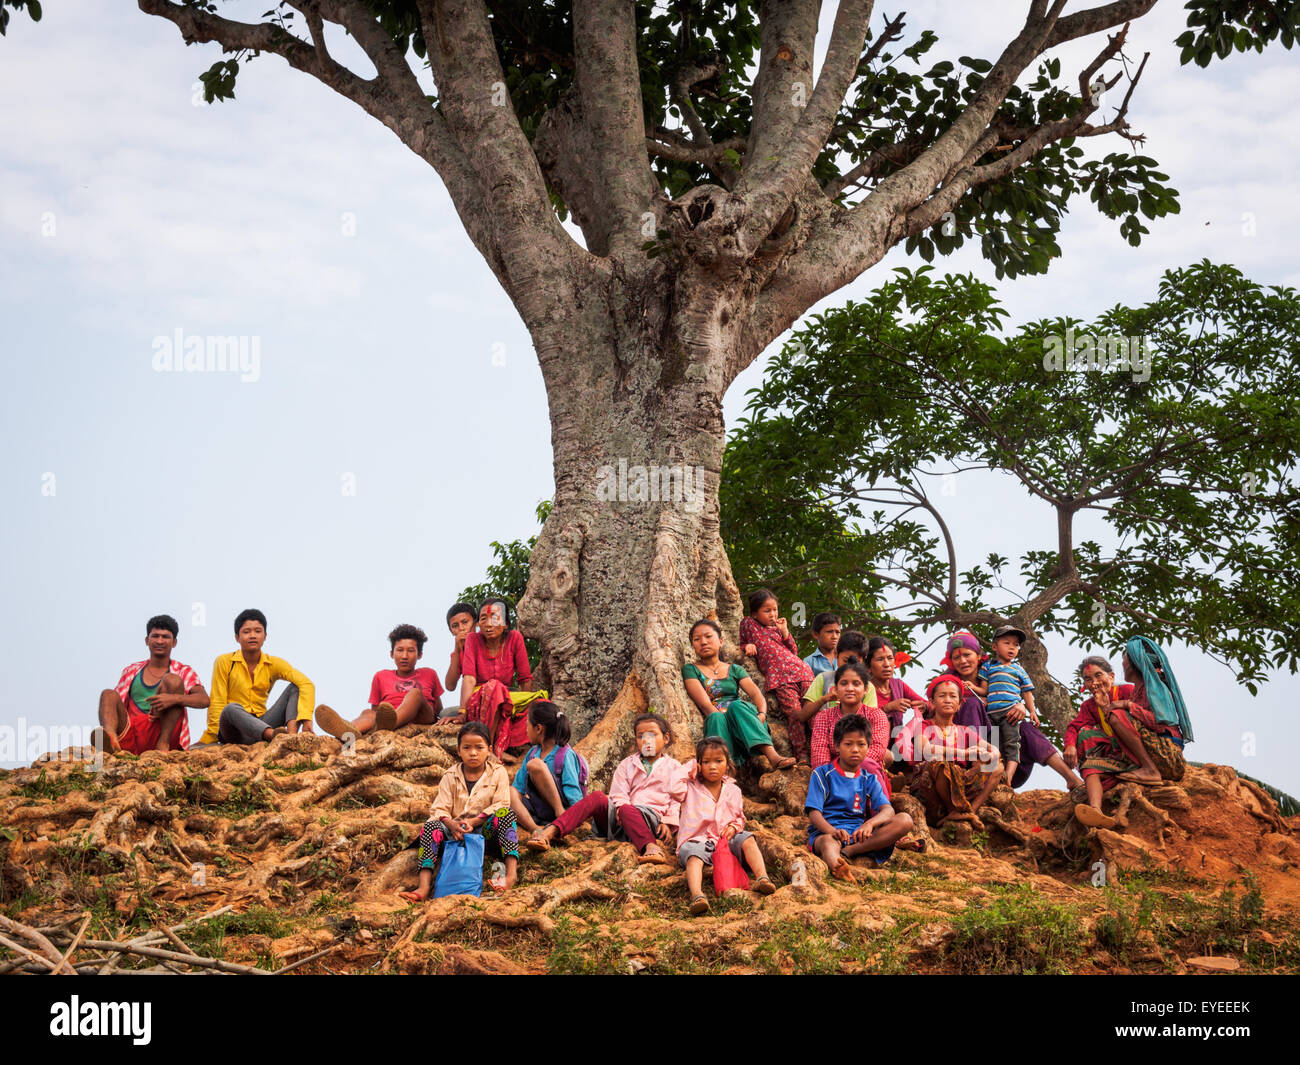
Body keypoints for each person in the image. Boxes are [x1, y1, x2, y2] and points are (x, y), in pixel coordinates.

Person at [527, 713, 682, 864]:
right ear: (635, 740)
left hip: (650, 819)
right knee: (597, 797)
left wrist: (667, 823)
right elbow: (618, 792)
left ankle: (651, 846)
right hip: (620, 819)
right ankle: (549, 832)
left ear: (666, 738)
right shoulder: (627, 764)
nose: (647, 740)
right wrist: (621, 808)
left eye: (652, 735)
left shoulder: (674, 767)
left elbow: (676, 801)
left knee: (628, 809)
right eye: (641, 736)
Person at [942, 630, 1081, 790]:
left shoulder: (996, 670)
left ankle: (1072, 779)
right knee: (973, 704)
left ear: (979, 656)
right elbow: (934, 710)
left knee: (1028, 729)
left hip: (1007, 756)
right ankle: (977, 769)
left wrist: (1020, 705)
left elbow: (1016, 692)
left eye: (967, 655)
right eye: (957, 657)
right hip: (970, 757)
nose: (963, 661)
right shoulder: (947, 686)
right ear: (951, 661)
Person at [1065, 650, 1186, 829]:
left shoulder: (1128, 691)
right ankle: (1096, 811)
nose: (1095, 683)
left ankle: (1149, 769)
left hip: (1146, 746)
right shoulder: (1088, 706)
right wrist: (1069, 746)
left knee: (1116, 714)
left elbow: (1143, 720)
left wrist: (1108, 707)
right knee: (1086, 741)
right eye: (1088, 679)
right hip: (1120, 754)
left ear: (1112, 676)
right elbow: (1074, 727)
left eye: (1098, 675)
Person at [398, 722, 518, 900]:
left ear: (489, 749)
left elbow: (501, 803)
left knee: (506, 814)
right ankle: (423, 887)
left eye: (479, 747)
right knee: (431, 825)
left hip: (484, 830)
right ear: (458, 750)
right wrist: (452, 825)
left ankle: (510, 875)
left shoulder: (498, 772)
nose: (473, 753)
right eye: (467, 747)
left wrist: (475, 821)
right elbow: (439, 808)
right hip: (455, 832)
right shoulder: (450, 775)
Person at [805, 714, 915, 882]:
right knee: (828, 843)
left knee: (905, 820)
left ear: (868, 747)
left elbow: (888, 810)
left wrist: (869, 824)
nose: (855, 749)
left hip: (859, 835)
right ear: (837, 746)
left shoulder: (868, 778)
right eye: (848, 744)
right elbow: (814, 813)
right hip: (829, 832)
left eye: (861, 744)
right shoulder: (822, 774)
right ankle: (839, 867)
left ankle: (851, 851)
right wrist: (832, 831)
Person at [673, 737, 777, 915]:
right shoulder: (690, 787)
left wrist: (734, 828)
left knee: (748, 839)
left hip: (725, 840)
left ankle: (762, 878)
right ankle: (697, 896)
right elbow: (671, 787)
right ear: (699, 765)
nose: (712, 766)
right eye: (706, 762)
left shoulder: (733, 790)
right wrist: (689, 767)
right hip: (696, 840)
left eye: (718, 761)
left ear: (727, 764)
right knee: (693, 857)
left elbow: (739, 817)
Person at [681, 619, 794, 770]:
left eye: (708, 637)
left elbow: (756, 694)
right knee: (715, 717)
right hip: (719, 722)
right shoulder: (691, 669)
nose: (703, 642)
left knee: (736, 706)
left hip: (743, 719)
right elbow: (705, 704)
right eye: (697, 639)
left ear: (720, 641)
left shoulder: (734, 669)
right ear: (693, 646)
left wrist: (762, 713)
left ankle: (773, 756)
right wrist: (726, 721)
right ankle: (725, 772)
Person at [898, 674, 1003, 831]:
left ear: (960, 704)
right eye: (942, 696)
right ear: (932, 702)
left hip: (959, 784)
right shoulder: (924, 726)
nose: (947, 700)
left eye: (953, 696)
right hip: (931, 788)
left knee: (997, 767)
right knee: (940, 763)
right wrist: (964, 754)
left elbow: (991, 748)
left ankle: (969, 812)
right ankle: (953, 811)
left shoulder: (964, 730)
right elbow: (925, 750)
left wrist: (993, 753)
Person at [94, 614, 208, 755]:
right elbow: (115, 705)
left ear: (174, 643)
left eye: (165, 637)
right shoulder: (132, 670)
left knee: (173, 681)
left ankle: (163, 745)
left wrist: (173, 699)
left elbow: (204, 700)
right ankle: (111, 741)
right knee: (108, 694)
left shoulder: (183, 671)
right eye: (155, 636)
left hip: (162, 730)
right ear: (147, 641)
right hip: (132, 732)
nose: (160, 641)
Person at [200, 609, 316, 744]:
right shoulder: (224, 661)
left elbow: (306, 684)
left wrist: (307, 720)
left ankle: (291, 738)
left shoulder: (273, 663)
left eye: (258, 631)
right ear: (237, 637)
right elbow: (217, 701)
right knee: (230, 708)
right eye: (246, 632)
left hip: (260, 724)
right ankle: (274, 736)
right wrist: (214, 736)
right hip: (233, 731)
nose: (253, 635)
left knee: (295, 688)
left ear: (265, 636)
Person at [315, 624, 444, 740]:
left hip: (422, 716)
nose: (405, 656)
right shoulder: (381, 676)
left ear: (419, 654)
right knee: (367, 713)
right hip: (389, 715)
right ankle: (346, 731)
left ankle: (390, 723)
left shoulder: (429, 673)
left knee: (415, 693)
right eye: (400, 650)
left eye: (410, 651)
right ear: (391, 654)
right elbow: (377, 712)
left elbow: (438, 708)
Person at [453, 598, 544, 757]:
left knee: (542, 705)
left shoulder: (515, 637)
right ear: (478, 624)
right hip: (480, 700)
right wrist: (462, 711)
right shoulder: (473, 639)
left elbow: (524, 679)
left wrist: (525, 704)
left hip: (506, 700)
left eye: (495, 618)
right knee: (494, 686)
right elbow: (469, 678)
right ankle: (490, 748)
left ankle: (532, 750)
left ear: (506, 624)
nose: (488, 624)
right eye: (483, 619)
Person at [739, 589, 814, 764]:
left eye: (775, 610)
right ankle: (802, 754)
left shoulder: (777, 629)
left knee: (814, 713)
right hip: (780, 678)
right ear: (755, 614)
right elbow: (743, 641)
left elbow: (794, 651)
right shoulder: (749, 623)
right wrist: (747, 646)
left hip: (802, 672)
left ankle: (824, 749)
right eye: (767, 610)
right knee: (795, 715)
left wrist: (785, 631)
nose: (773, 614)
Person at [807, 662, 892, 798]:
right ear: (835, 689)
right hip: (833, 778)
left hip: (867, 776)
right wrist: (838, 775)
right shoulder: (823, 716)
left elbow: (877, 751)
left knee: (867, 763)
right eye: (844, 683)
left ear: (865, 689)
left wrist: (849, 769)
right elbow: (819, 754)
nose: (850, 688)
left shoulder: (876, 715)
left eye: (856, 684)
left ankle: (879, 812)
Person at [510, 700, 585, 833]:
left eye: (527, 726)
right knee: (510, 791)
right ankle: (535, 829)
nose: (526, 730)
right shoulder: (533, 753)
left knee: (536, 765)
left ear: (538, 728)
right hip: (538, 811)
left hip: (563, 812)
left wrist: (573, 818)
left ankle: (559, 815)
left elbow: (574, 795)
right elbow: (518, 788)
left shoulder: (565, 754)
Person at [977, 624, 1037, 785]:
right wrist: (970, 687)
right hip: (991, 714)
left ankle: (1008, 779)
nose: (1012, 647)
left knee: (1012, 744)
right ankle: (993, 778)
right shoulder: (988, 667)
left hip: (1010, 713)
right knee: (993, 745)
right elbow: (983, 690)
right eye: (1007, 643)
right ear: (995, 646)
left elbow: (1027, 692)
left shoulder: (1019, 669)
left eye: (1016, 644)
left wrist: (1032, 711)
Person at [865, 636, 928, 732]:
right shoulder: (864, 688)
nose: (887, 664)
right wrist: (887, 708)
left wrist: (924, 706)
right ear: (868, 666)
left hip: (896, 743)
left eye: (890, 658)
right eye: (880, 659)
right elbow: (861, 720)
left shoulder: (898, 685)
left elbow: (929, 704)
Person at [443, 602, 477, 692]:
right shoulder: (458, 654)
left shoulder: (488, 641)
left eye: (465, 622)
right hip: (474, 699)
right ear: (451, 631)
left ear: (476, 623)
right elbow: (450, 686)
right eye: (455, 626)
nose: (461, 628)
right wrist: (457, 651)